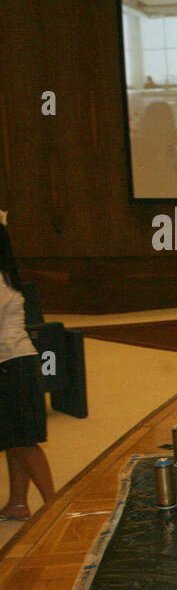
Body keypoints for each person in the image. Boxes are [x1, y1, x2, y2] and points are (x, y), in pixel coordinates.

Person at [0, 218, 55, 522]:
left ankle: (54, 507)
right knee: (14, 438)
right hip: (16, 364)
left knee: (23, 442)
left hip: (11, 366)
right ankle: (18, 502)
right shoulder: (7, 275)